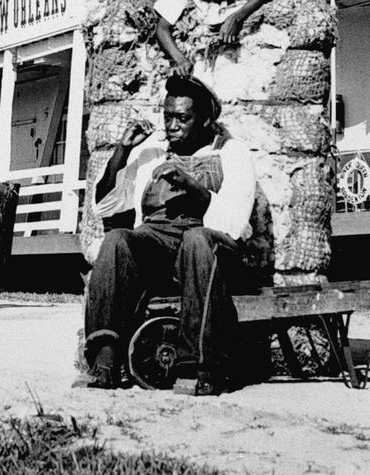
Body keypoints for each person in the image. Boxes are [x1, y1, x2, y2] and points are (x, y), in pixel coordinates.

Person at [83, 74, 256, 396]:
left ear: (205, 120)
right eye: (168, 117)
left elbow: (234, 224)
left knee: (196, 240)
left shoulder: (233, 153)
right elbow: (105, 205)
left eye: (182, 118)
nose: (172, 126)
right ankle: (104, 361)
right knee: (118, 239)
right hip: (159, 244)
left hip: (208, 246)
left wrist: (192, 185)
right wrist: (123, 150)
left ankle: (199, 368)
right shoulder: (153, 154)